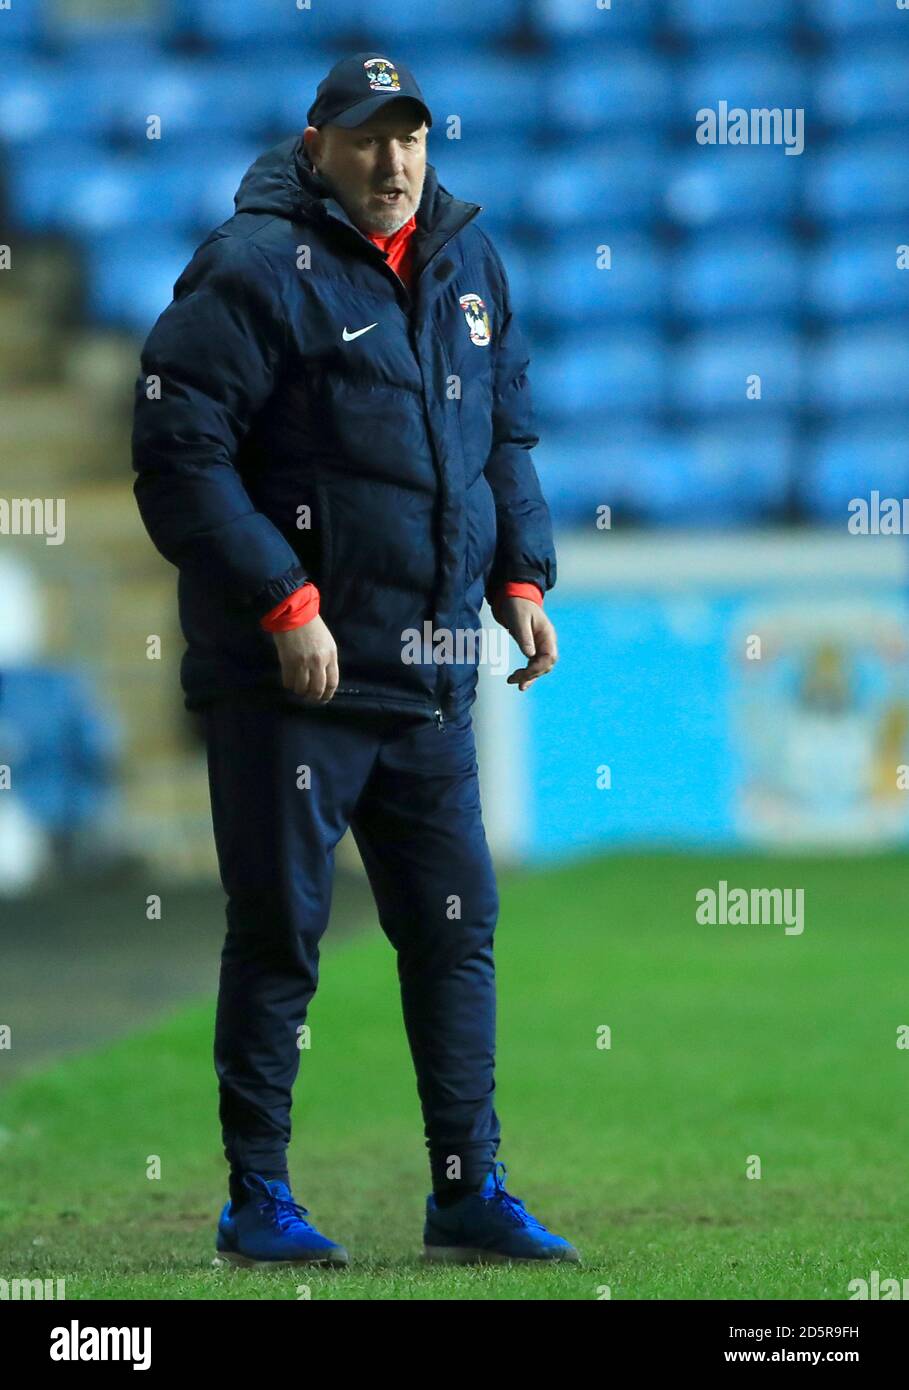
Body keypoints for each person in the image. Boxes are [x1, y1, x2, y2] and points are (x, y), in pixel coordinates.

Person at [132, 51, 578, 1266]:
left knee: (455, 928)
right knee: (282, 930)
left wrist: (521, 577)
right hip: (295, 679)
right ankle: (256, 1199)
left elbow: (506, 430)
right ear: (317, 140)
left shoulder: (466, 258)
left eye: (413, 138)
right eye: (370, 138)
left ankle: (465, 1188)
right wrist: (285, 600)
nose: (394, 162)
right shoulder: (251, 268)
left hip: (429, 672)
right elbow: (179, 453)